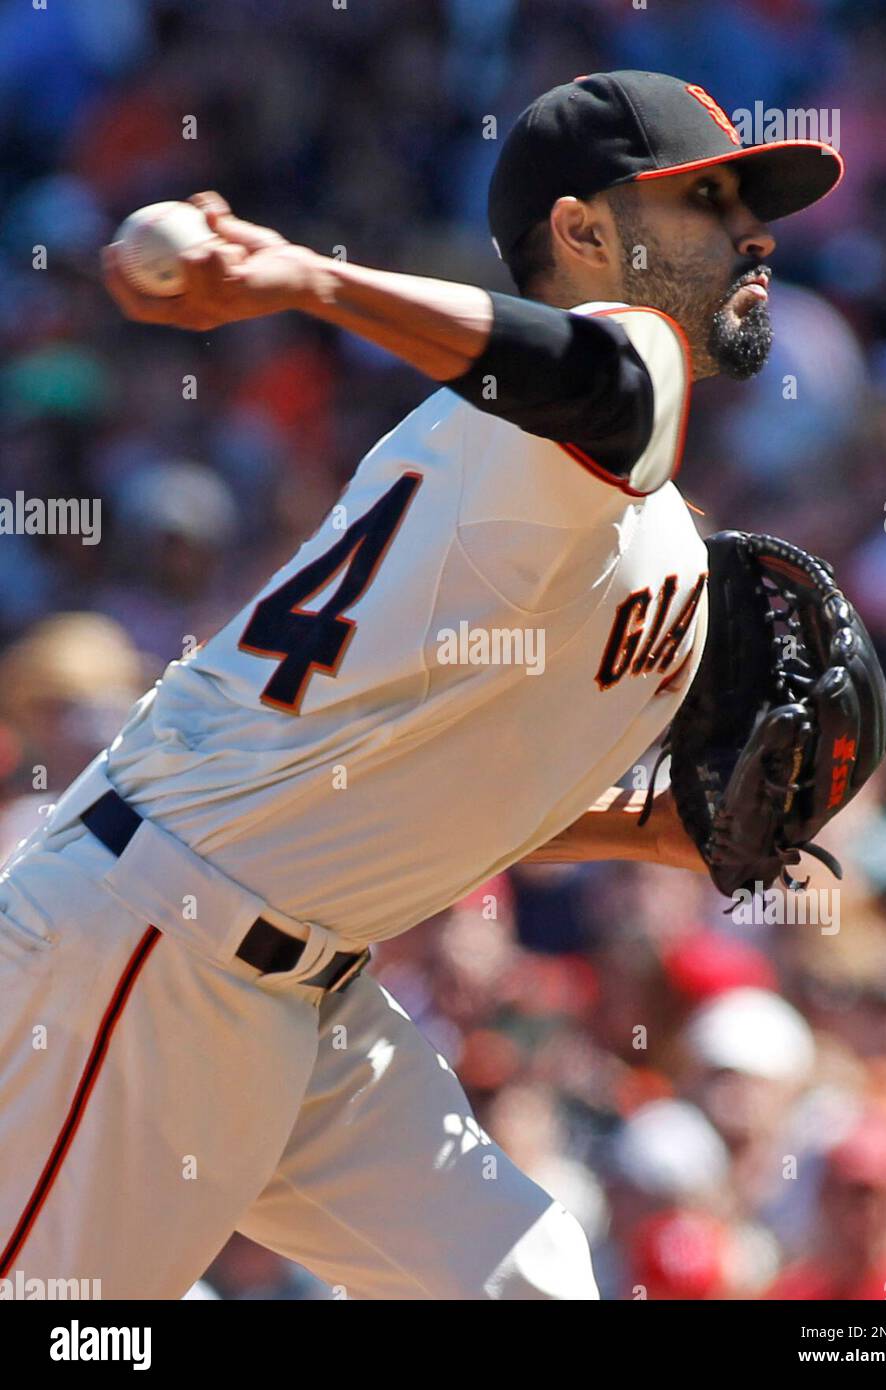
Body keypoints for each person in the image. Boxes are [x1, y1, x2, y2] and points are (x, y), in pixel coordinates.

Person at [0, 72, 841, 1299]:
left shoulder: (620, 514)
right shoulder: (584, 404)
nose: (753, 231)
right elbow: (595, 377)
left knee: (528, 1282)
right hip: (151, 942)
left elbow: (425, 778)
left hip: (296, 979)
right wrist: (307, 279)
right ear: (582, 232)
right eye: (706, 198)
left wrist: (644, 833)